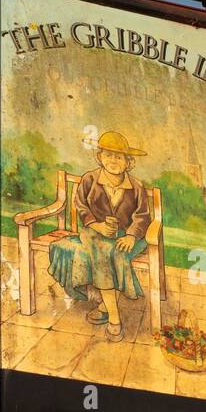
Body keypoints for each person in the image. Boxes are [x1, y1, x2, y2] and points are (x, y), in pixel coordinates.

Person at [47, 130, 152, 341]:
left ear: (128, 162)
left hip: (126, 237)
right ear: (99, 157)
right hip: (93, 232)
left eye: (119, 156)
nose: (113, 160)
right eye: (108, 155)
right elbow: (81, 206)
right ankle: (115, 318)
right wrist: (96, 225)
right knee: (103, 249)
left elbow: (142, 216)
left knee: (116, 253)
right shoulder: (90, 179)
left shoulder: (136, 186)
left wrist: (131, 235)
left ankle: (105, 306)